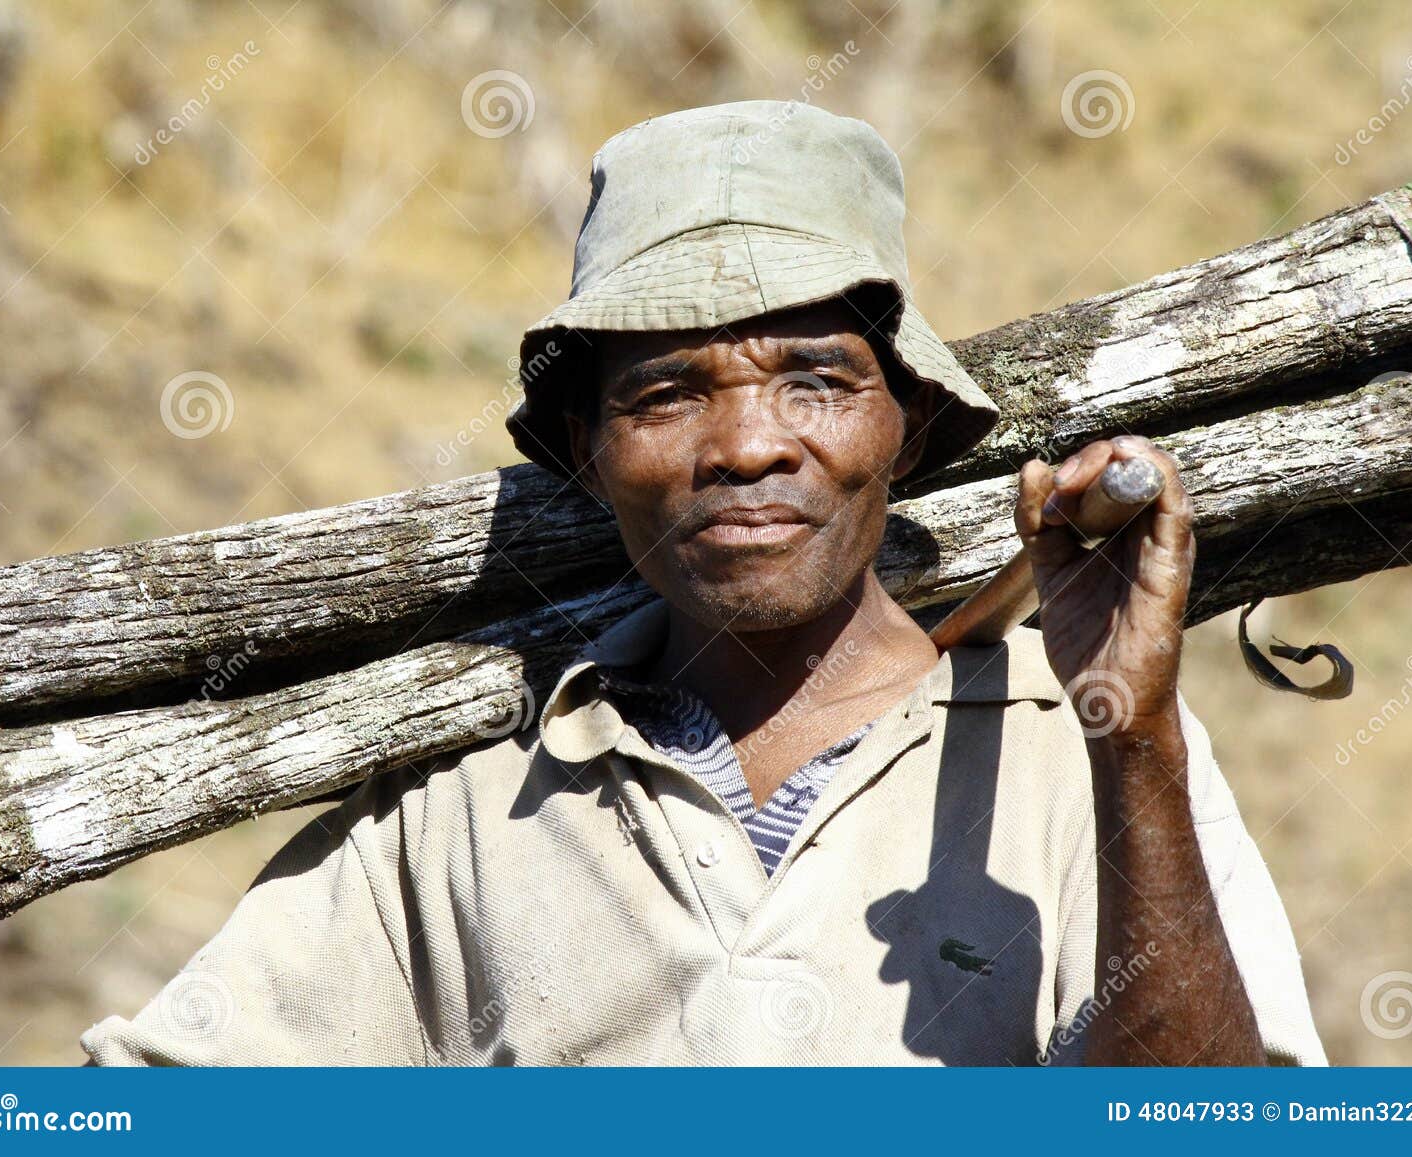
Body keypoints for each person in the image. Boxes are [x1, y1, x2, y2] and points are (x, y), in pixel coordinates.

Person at [81, 101, 1324, 1066]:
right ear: (586, 447)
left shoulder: (1081, 758)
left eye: (817, 380)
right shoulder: (465, 791)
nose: (743, 446)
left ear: (908, 421)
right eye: (666, 392)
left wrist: (1134, 730)